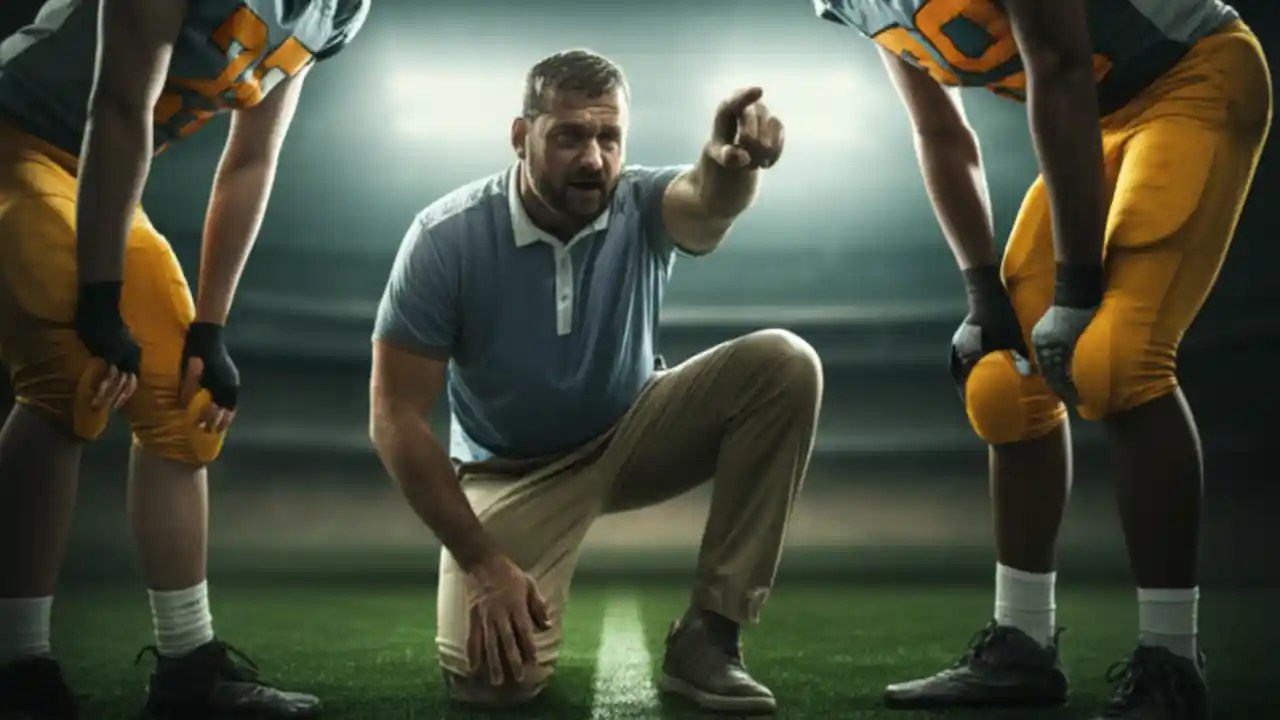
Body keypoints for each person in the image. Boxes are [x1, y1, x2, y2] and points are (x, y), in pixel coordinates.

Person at [811, 0, 1270, 717]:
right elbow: (939, 130)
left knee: (1118, 360)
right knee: (1003, 382)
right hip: (1099, 116)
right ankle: (1022, 642)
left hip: (1194, 80)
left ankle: (1173, 659)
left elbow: (1059, 66)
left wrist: (1077, 290)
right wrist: (983, 296)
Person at [369, 48, 820, 714]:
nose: (594, 158)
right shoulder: (444, 240)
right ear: (520, 137)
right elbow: (395, 418)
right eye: (570, 136)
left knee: (784, 364)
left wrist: (733, 164)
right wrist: (483, 563)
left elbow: (706, 201)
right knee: (493, 681)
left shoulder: (641, 202)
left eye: (610, 137)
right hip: (512, 471)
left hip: (634, 431)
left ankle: (710, 635)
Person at [0, 0, 369, 717]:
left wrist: (210, 327)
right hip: (16, 138)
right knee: (71, 375)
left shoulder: (338, 10)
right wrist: (100, 295)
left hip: (91, 167)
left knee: (185, 395)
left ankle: (188, 668)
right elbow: (118, 105)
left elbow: (252, 158)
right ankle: (15, 664)